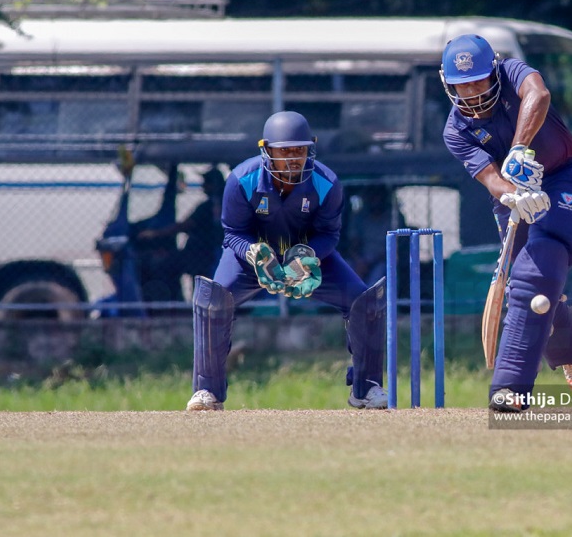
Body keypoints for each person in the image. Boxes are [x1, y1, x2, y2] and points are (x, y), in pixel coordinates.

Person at [186, 111, 388, 411]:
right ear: (266, 150)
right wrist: (253, 252)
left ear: (310, 150)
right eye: (284, 151)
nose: (293, 159)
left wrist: (308, 257)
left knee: (364, 301)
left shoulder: (327, 183)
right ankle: (207, 391)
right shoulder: (242, 179)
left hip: (307, 257)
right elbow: (233, 233)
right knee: (213, 300)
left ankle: (366, 387)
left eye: (299, 150)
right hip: (253, 257)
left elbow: (329, 234)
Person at [439, 34, 572, 412]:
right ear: (448, 85)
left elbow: (538, 95)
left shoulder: (512, 72)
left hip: (564, 176)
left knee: (535, 271)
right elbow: (490, 178)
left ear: (494, 72)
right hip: (512, 197)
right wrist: (512, 194)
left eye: (478, 81)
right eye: (462, 85)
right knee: (531, 290)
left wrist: (518, 148)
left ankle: (511, 386)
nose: (472, 93)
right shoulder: (456, 131)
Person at [137, 166, 226, 284]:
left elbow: (186, 225)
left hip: (200, 253)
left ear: (213, 185)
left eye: (206, 183)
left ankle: (163, 292)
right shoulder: (226, 204)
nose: (203, 186)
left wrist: (156, 234)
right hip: (204, 253)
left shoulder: (208, 206)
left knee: (160, 262)